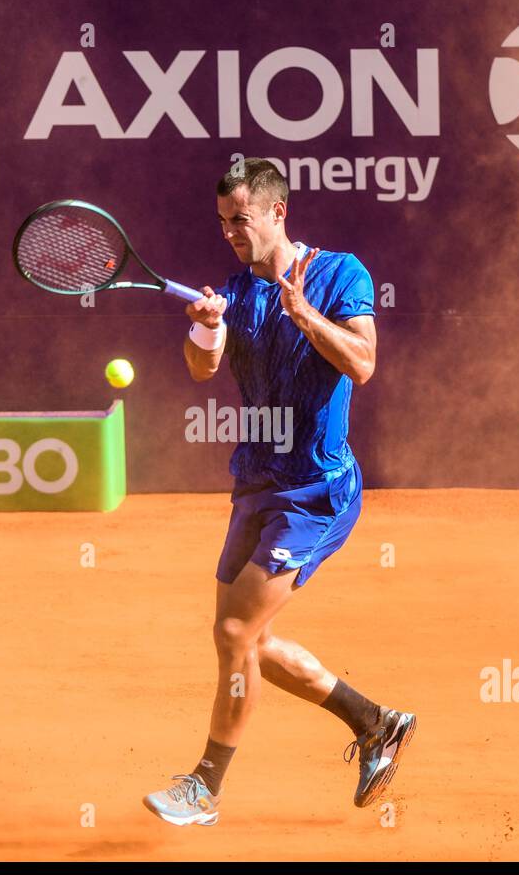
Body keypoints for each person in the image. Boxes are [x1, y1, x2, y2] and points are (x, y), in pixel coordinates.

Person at [142, 158, 416, 826]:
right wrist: (208, 324)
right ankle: (374, 721)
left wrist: (304, 314)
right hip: (257, 486)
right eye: (222, 222)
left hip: (317, 492)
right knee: (244, 641)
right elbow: (202, 368)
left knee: (238, 629)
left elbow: (363, 362)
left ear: (276, 214)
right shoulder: (236, 292)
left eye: (240, 219)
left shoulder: (339, 274)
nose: (230, 232)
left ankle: (205, 787)